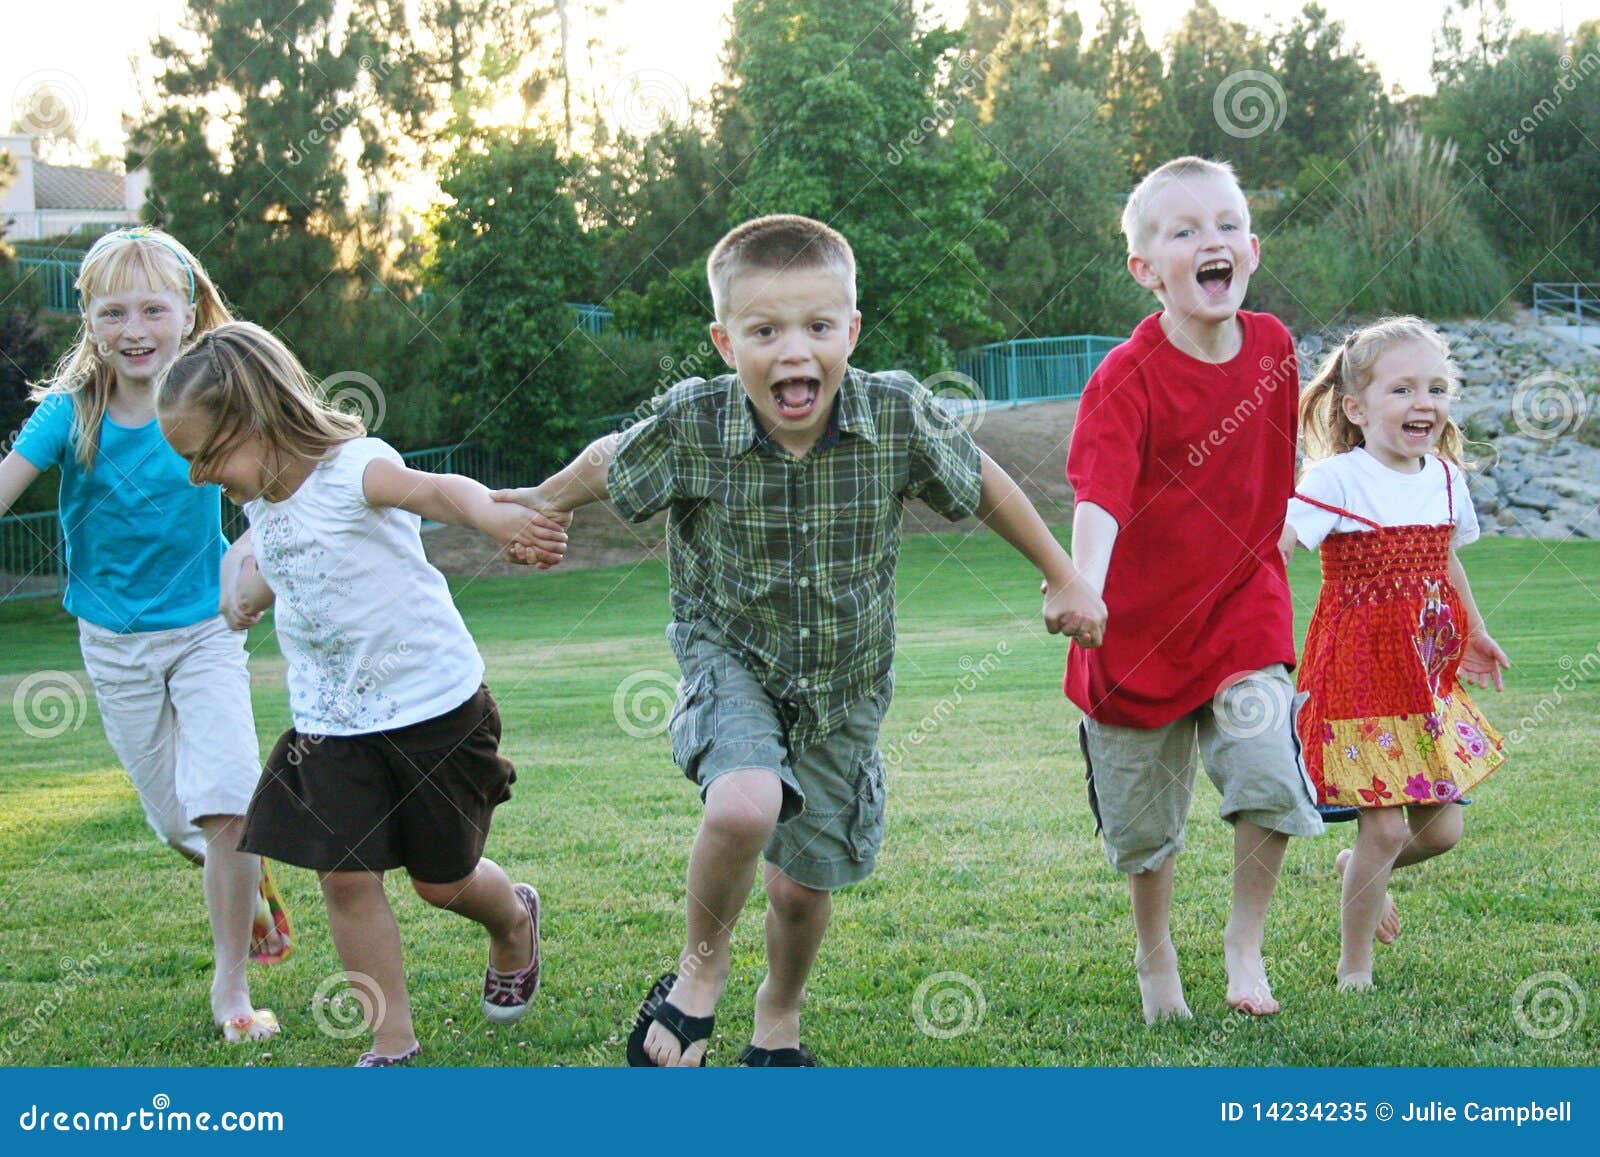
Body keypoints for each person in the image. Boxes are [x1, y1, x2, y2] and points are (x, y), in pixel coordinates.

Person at [497, 213, 1105, 1066]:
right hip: (729, 654)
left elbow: (980, 482)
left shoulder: (894, 412)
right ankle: (699, 972)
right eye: (765, 331)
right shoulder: (696, 420)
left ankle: (777, 1014)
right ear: (725, 342)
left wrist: (1062, 572)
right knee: (744, 802)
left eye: (818, 327)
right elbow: (611, 458)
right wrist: (541, 502)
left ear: (851, 331)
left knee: (799, 885)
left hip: (845, 682)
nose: (795, 351)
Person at [155, 321, 568, 1065]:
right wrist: (246, 592)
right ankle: (391, 1043)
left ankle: (513, 919)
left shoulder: (356, 469)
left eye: (204, 456)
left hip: (433, 710)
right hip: (330, 726)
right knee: (345, 881)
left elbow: (438, 492)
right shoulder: (262, 503)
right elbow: (283, 555)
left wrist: (495, 517)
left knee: (443, 884)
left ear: (255, 420)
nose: (197, 477)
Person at [1, 228, 290, 1043]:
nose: (135, 329)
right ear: (89, 321)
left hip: (205, 630)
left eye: (153, 309)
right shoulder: (69, 414)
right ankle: (248, 876)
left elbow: (274, 502)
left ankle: (232, 988)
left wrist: (245, 566)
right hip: (114, 644)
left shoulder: (212, 403)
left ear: (188, 314)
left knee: (226, 799)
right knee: (177, 822)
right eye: (114, 312)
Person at [1065, 157, 1325, 1024]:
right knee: (1143, 826)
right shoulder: (1124, 377)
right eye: (1184, 231)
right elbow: (1100, 493)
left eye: (1226, 225)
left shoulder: (1275, 347)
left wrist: (1290, 523)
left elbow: (1275, 457)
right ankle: (1155, 952)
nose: (1211, 240)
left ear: (1251, 249)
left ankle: (1244, 942)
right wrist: (1085, 585)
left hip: (1242, 604)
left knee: (1267, 765)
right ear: (1146, 269)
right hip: (1133, 627)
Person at [1284, 316, 1507, 991]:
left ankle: (1358, 867)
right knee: (1382, 831)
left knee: (1440, 833)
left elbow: (1446, 562)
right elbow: (1279, 548)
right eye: (1402, 389)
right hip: (1357, 673)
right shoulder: (1336, 479)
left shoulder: (1445, 479)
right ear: (1356, 408)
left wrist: (1475, 630)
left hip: (1423, 677)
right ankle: (1355, 966)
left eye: (1436, 388)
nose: (1424, 403)